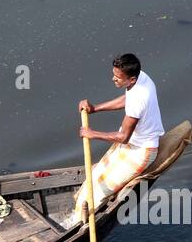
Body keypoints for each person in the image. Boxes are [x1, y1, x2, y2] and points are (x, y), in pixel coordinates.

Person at [67, 53, 165, 227]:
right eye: (114, 74)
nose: (113, 79)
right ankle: (75, 219)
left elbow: (123, 137)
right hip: (131, 143)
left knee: (97, 192)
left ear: (132, 79)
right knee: (93, 178)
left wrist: (92, 133)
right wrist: (94, 108)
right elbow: (127, 99)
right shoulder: (141, 78)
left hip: (141, 151)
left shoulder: (140, 97)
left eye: (118, 77)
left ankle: (79, 226)